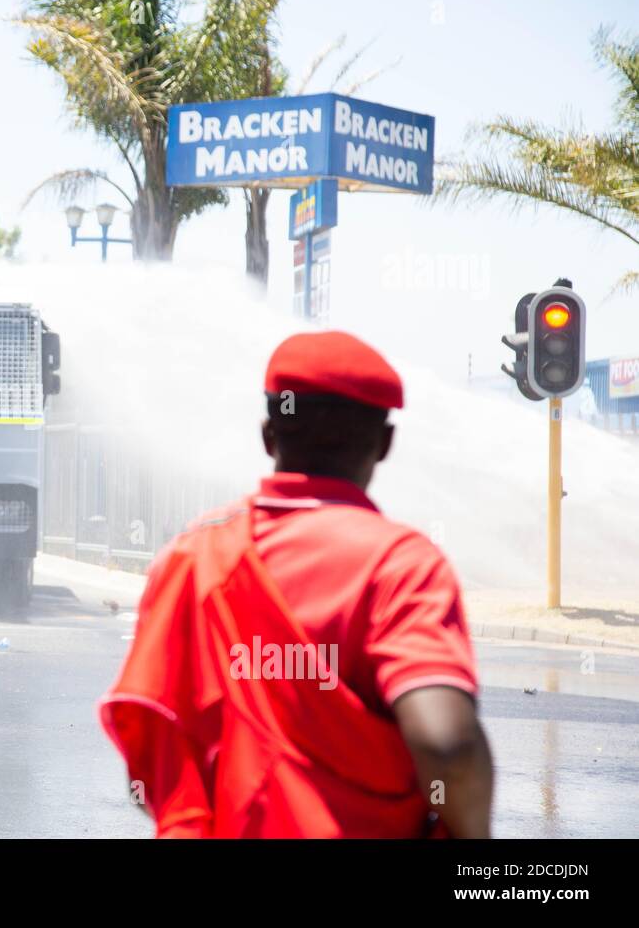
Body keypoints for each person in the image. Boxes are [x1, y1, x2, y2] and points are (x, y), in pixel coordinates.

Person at [99, 330, 494, 838]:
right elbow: (447, 745)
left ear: (269, 436)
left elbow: (154, 752)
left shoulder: (190, 557)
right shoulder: (403, 564)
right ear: (386, 443)